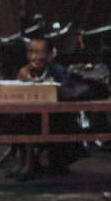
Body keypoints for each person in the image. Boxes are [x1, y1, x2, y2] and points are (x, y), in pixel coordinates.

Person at [8, 36, 84, 180]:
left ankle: (29, 165)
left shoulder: (58, 72)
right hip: (32, 116)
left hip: (56, 118)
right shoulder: (25, 71)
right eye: (30, 52)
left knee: (29, 118)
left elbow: (61, 95)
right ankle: (24, 161)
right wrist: (21, 76)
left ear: (49, 56)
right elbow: (15, 93)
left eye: (38, 52)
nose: (33, 57)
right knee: (16, 117)